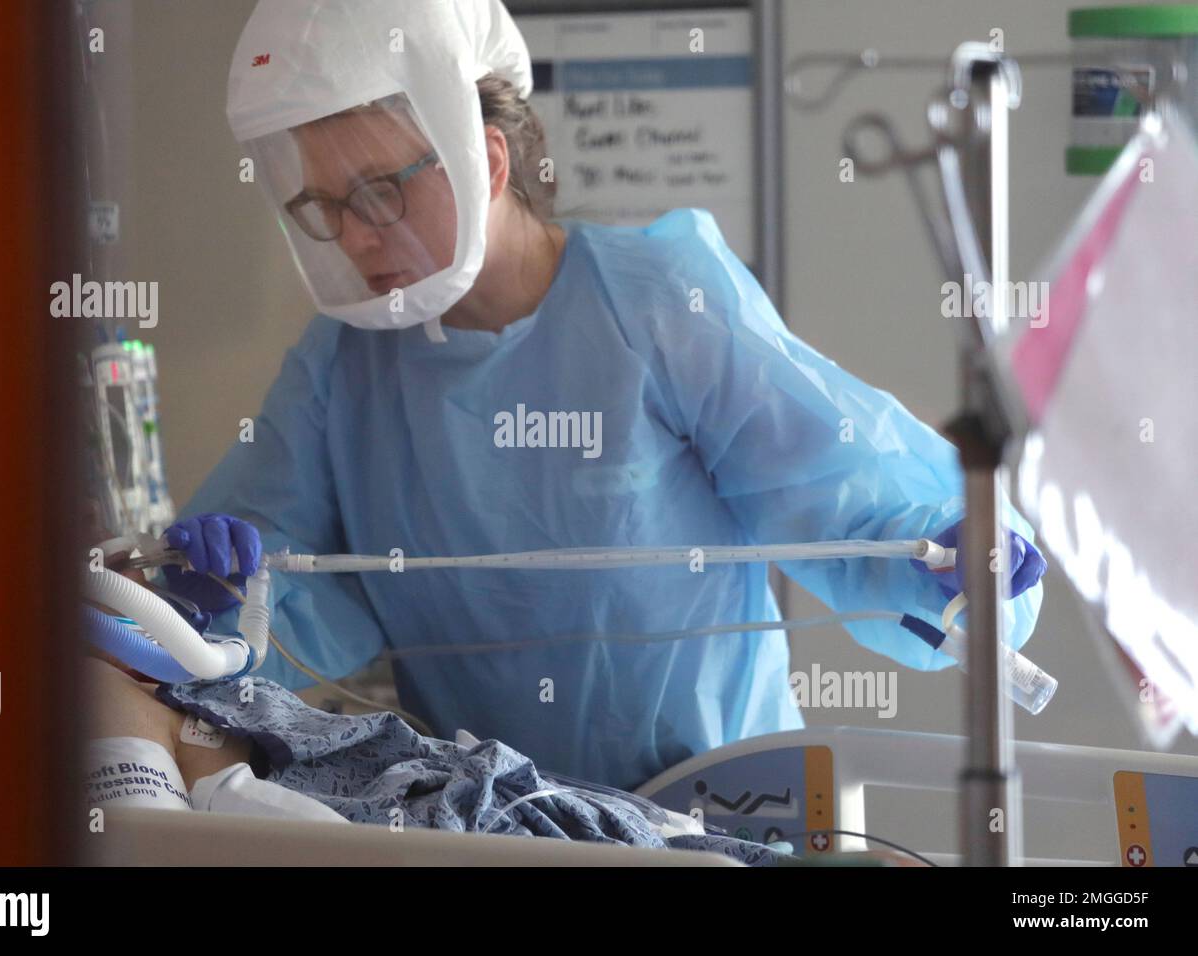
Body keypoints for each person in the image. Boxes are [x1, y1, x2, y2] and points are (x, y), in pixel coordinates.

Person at [166, 0, 1047, 791]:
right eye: (324, 207)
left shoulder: (662, 300)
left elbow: (847, 503)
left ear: (490, 160)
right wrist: (207, 604)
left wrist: (952, 554)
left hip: (724, 815)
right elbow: (285, 599)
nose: (356, 237)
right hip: (498, 829)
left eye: (381, 192)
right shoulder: (342, 367)